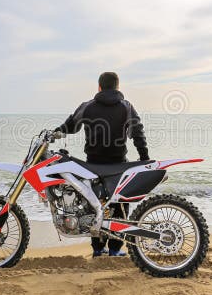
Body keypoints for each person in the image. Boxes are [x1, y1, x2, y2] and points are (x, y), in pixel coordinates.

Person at [56, 71, 150, 257]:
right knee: (120, 205)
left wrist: (57, 132)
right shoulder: (126, 106)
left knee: (95, 205)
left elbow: (71, 126)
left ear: (99, 87)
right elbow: (138, 133)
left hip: (93, 165)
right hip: (118, 164)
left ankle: (98, 249)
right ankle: (115, 250)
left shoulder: (87, 106)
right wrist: (144, 157)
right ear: (117, 87)